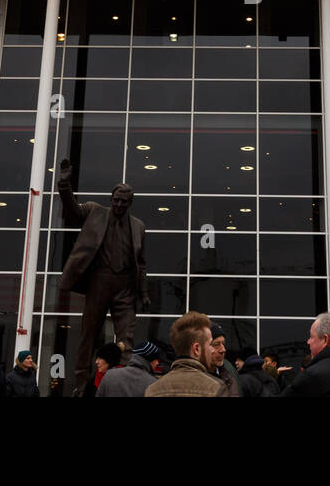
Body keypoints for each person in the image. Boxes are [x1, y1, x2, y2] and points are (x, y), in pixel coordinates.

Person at [55, 158, 148, 396]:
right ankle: (82, 386)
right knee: (88, 336)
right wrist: (64, 184)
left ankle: (126, 385)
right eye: (115, 200)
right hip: (99, 283)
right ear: (111, 199)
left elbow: (141, 263)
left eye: (123, 202)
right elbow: (72, 211)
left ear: (130, 203)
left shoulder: (138, 226)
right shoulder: (94, 212)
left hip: (125, 287)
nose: (118, 205)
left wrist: (144, 293)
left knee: (127, 339)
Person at [145, 311, 229, 397]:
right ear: (196, 349)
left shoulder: (153, 390)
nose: (212, 350)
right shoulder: (216, 389)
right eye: (211, 344)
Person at [207, 324, 240, 396]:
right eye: (216, 344)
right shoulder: (193, 376)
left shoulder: (229, 371)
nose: (223, 350)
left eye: (223, 344)